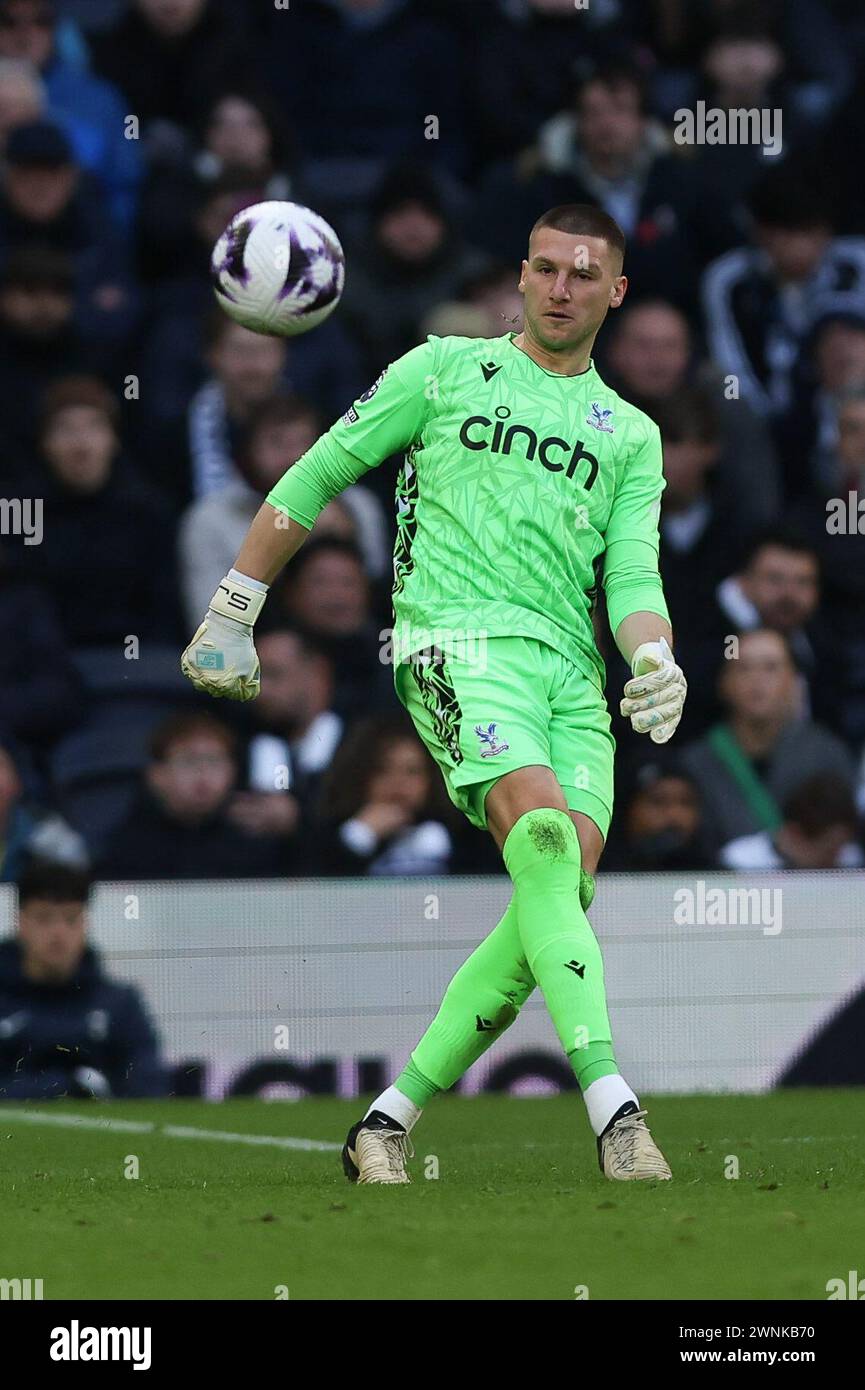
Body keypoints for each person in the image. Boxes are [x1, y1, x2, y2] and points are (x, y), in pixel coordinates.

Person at [181, 202, 689, 1184]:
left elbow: (630, 579)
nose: (559, 287)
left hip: (569, 678)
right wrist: (235, 606)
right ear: (520, 274)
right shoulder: (444, 367)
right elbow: (322, 468)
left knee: (558, 890)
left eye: (583, 274)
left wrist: (655, 657)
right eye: (543, 268)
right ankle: (615, 1112)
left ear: (614, 291)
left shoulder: (631, 434)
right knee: (542, 843)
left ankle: (387, 1119)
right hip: (452, 646)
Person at [679, 629, 854, 858]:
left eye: (771, 667)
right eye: (743, 668)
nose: (756, 679)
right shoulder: (693, 763)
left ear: (794, 681)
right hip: (720, 891)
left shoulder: (828, 754)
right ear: (723, 682)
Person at [0, 859, 167, 1098]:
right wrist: (66, 1087)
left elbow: (149, 1085)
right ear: (20, 922)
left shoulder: (118, 1005)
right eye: (44, 919)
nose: (58, 933)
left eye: (70, 919)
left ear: (85, 923)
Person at [97, 712, 291, 880]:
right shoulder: (128, 849)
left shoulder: (255, 844)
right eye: (189, 761)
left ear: (233, 770)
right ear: (156, 774)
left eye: (214, 761)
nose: (203, 771)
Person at [312, 714, 454, 877]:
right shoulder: (327, 835)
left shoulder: (460, 833)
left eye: (412, 771)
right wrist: (358, 837)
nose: (398, 783)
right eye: (383, 770)